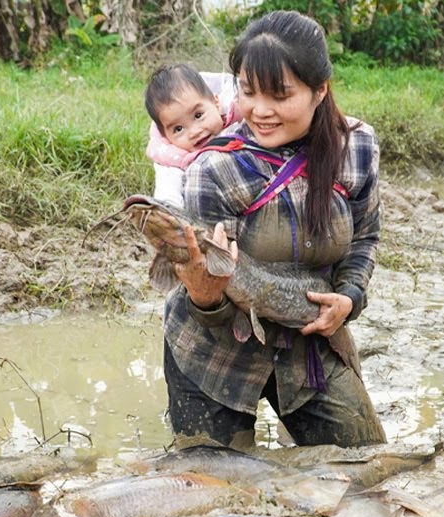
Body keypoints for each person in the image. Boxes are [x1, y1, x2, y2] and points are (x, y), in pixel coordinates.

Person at [161, 10, 386, 450]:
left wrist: (349, 298)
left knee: (367, 475)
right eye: (247, 92)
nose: (260, 111)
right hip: (215, 351)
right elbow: (211, 291)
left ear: (319, 90)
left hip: (308, 347)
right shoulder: (214, 168)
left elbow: (364, 239)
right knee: (213, 492)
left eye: (280, 95)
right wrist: (205, 297)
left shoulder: (355, 147)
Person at [143, 64, 237, 209]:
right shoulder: (174, 158)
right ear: (166, 137)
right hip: (209, 213)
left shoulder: (239, 122)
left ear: (216, 104)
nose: (194, 132)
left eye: (198, 115)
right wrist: (169, 212)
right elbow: (167, 192)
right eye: (178, 129)